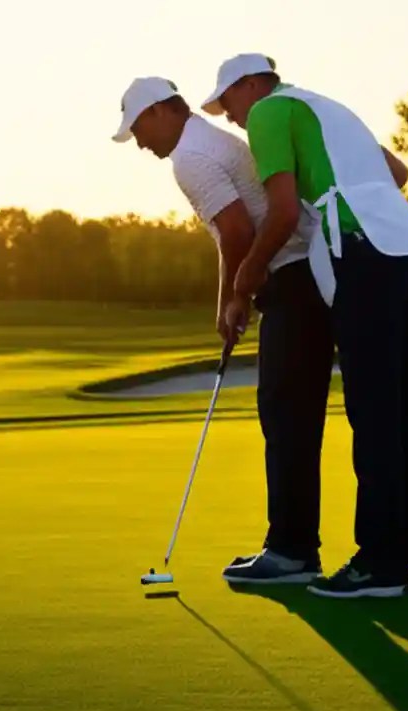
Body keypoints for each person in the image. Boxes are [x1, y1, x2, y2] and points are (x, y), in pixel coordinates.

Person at [200, 53, 408, 599]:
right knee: (396, 412)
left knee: (371, 410)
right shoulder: (327, 107)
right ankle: (393, 561)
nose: (231, 117)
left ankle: (379, 564)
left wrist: (245, 279)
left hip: (362, 252)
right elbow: (397, 174)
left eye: (229, 102)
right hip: (407, 246)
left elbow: (281, 212)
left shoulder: (268, 112)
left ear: (251, 85)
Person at [112, 76, 332, 584]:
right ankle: (295, 547)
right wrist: (227, 300)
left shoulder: (190, 157)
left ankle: (291, 553)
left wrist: (239, 296)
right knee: (291, 417)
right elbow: (228, 235)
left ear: (164, 112)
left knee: (284, 417)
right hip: (303, 274)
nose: (139, 142)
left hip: (293, 278)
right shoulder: (207, 142)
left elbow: (237, 231)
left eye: (140, 127)